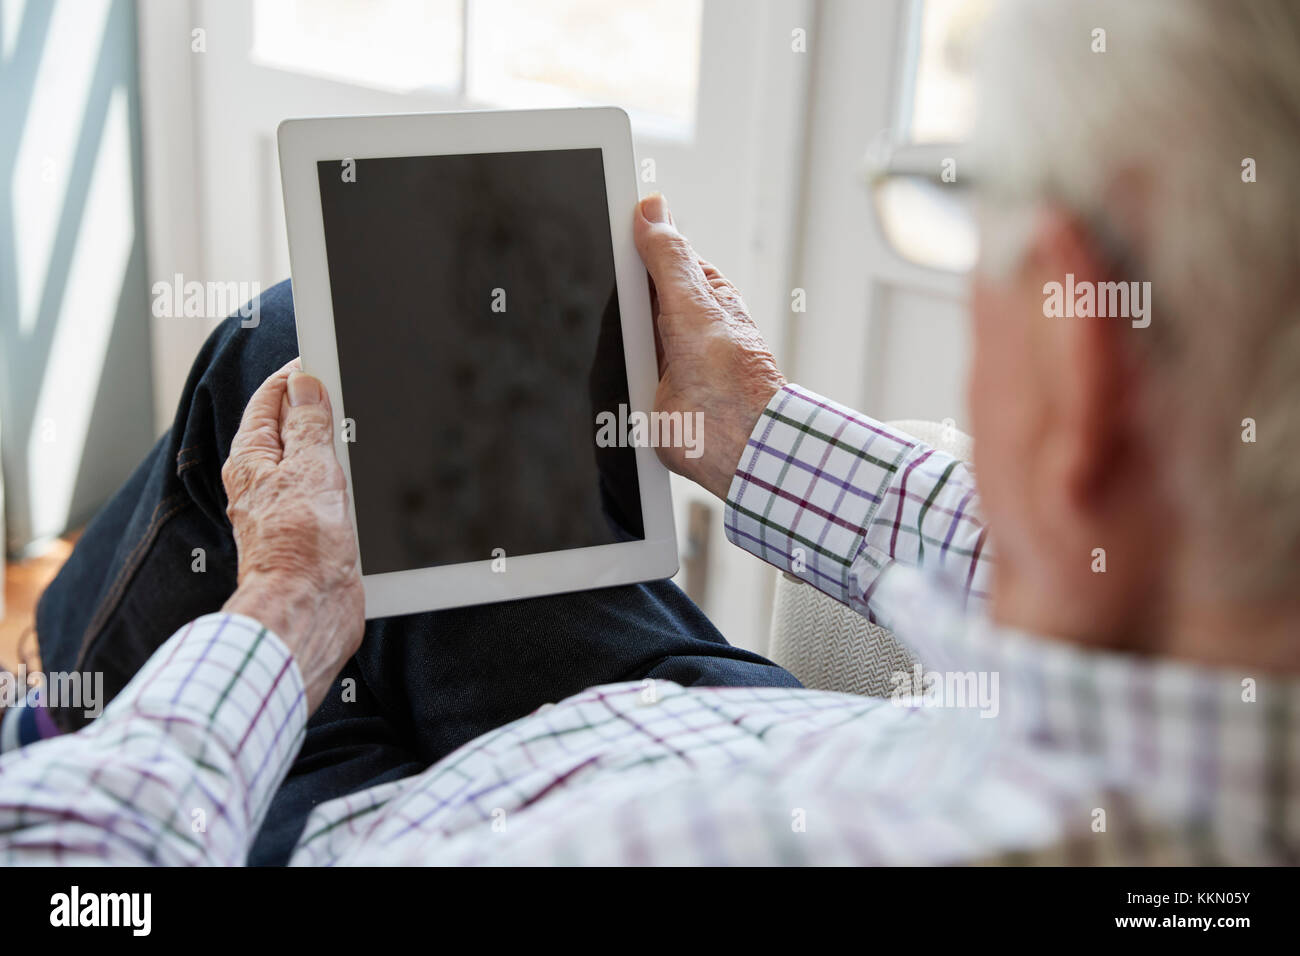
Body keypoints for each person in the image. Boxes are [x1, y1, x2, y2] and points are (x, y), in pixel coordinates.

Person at [0, 0, 1296, 865]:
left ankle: (53, 737)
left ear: (1084, 368)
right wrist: (755, 431)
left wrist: (281, 618)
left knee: (269, 389)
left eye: (971, 207)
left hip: (400, 821)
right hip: (709, 718)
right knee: (319, 346)